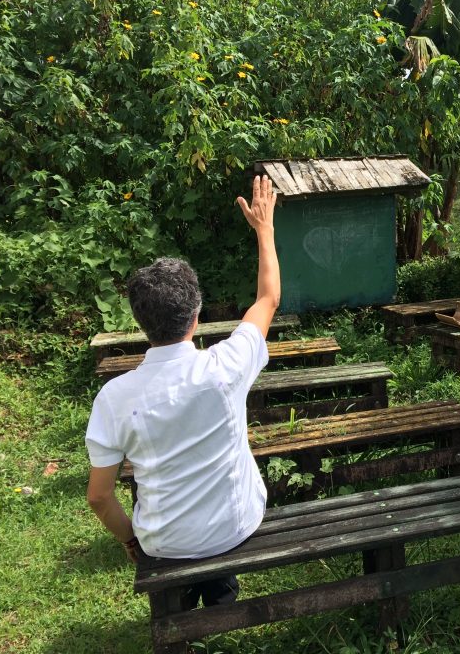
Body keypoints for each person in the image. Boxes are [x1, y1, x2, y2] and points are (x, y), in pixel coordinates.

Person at [85, 174, 280, 609]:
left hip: (162, 541)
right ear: (197, 315)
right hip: (236, 526)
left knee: (168, 569)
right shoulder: (227, 365)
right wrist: (264, 231)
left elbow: (99, 497)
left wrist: (131, 539)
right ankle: (222, 605)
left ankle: (175, 620)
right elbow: (267, 299)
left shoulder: (114, 398)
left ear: (140, 322)